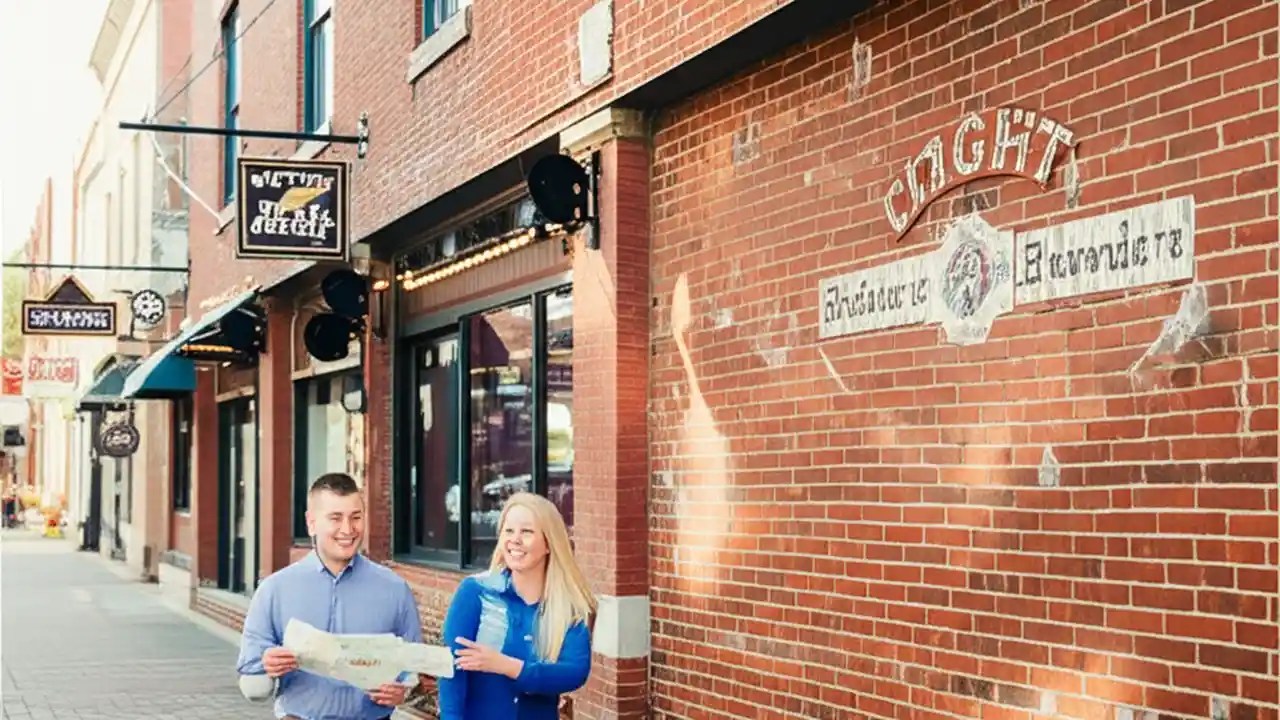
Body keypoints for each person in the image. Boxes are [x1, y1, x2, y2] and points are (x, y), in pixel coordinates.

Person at [237, 473, 425, 719]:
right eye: (335, 518)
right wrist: (268, 668)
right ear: (311, 522)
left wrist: (405, 692)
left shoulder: (395, 589)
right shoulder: (274, 590)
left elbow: (415, 671)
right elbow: (253, 688)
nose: (347, 529)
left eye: (355, 517)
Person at [438, 492, 597, 719]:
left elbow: (574, 673)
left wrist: (506, 665)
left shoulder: (568, 607)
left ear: (549, 544)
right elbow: (451, 672)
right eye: (508, 531)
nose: (515, 539)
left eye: (527, 532)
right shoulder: (475, 592)